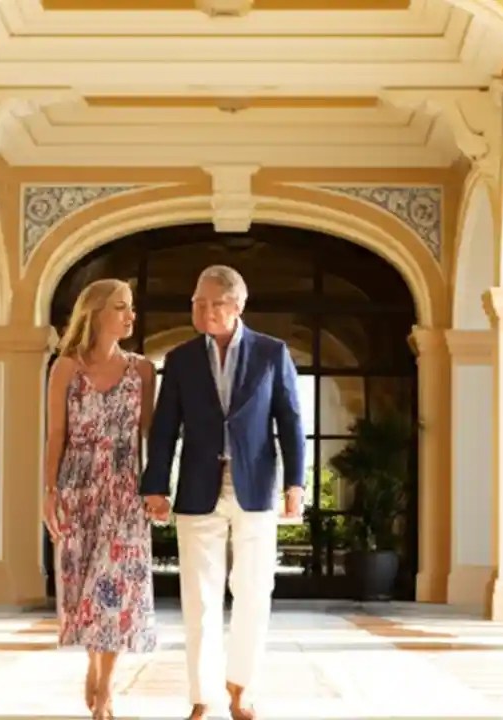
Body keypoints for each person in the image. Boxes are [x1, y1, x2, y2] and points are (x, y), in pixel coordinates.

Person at [140, 265, 306, 720]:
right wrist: (154, 485)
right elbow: (164, 430)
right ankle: (202, 695)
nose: (203, 310)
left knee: (255, 590)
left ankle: (242, 688)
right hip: (197, 488)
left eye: (214, 303)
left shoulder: (273, 354)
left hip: (255, 488)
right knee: (199, 595)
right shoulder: (180, 359)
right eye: (197, 302)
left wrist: (296, 483)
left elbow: (291, 420)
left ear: (237, 306)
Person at [43, 278, 157, 720]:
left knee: (117, 588)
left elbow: (150, 436)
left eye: (131, 307)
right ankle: (93, 664)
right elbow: (57, 434)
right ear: (95, 314)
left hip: (125, 491)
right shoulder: (66, 368)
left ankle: (107, 687)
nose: (131, 315)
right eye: (121, 307)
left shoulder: (143, 371)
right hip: (77, 487)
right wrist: (49, 492)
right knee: (83, 590)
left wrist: (156, 490)